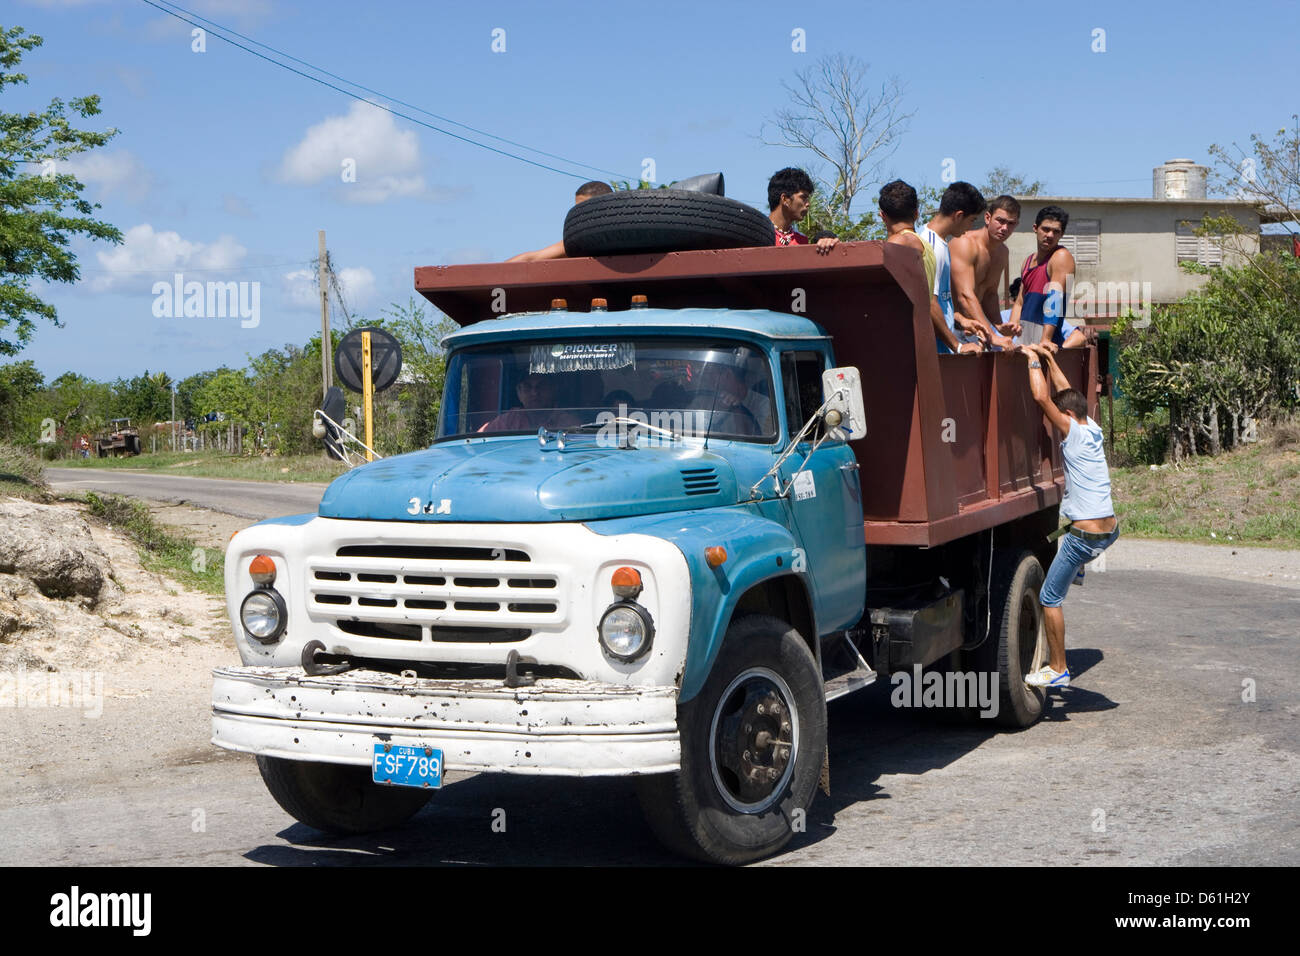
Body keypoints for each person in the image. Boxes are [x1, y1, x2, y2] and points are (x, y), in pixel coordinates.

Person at [1022, 342, 1119, 689]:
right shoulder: (1091, 427)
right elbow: (1065, 394)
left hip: (1087, 535)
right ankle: (1076, 570)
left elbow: (1042, 399)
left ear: (1068, 419)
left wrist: (1033, 361)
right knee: (1064, 536)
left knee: (1050, 597)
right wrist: (1051, 358)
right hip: (1110, 529)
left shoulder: (1073, 433)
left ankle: (1058, 667)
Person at [878, 179, 977, 355]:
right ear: (916, 213)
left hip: (923, 347)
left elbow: (930, 302)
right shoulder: (925, 243)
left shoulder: (900, 243)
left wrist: (957, 346)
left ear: (882, 216)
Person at [918, 181, 988, 353]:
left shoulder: (940, 242)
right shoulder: (931, 246)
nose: (970, 227)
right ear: (958, 216)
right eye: (971, 220)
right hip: (936, 350)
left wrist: (960, 320)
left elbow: (941, 300)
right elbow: (929, 303)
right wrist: (958, 346)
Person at [950, 195, 1021, 349]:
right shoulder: (965, 243)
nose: (1004, 228)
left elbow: (989, 294)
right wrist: (993, 335)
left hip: (979, 329)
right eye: (1000, 221)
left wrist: (998, 325)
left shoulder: (1002, 252)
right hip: (952, 327)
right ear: (988, 218)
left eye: (1011, 223)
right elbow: (965, 296)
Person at [1008, 205, 1075, 347]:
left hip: (1046, 343)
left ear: (1062, 234)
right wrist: (1009, 338)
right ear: (1035, 228)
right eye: (1046, 229)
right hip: (1023, 341)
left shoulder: (1061, 257)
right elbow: (1020, 302)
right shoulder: (1027, 262)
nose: (1050, 235)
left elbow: (1055, 300)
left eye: (1056, 231)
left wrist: (1045, 340)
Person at [505, 181, 613, 262]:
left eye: (584, 209)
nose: (579, 215)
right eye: (577, 210)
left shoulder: (627, 234)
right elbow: (532, 258)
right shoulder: (579, 242)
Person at [767, 167, 837, 254]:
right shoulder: (757, 234)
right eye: (803, 197)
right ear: (785, 199)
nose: (808, 204)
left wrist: (831, 247)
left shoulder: (802, 241)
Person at [480, 372, 580, 432]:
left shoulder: (568, 422)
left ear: (552, 390)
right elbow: (477, 440)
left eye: (541, 386)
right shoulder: (508, 420)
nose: (534, 393)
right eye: (527, 387)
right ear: (519, 393)